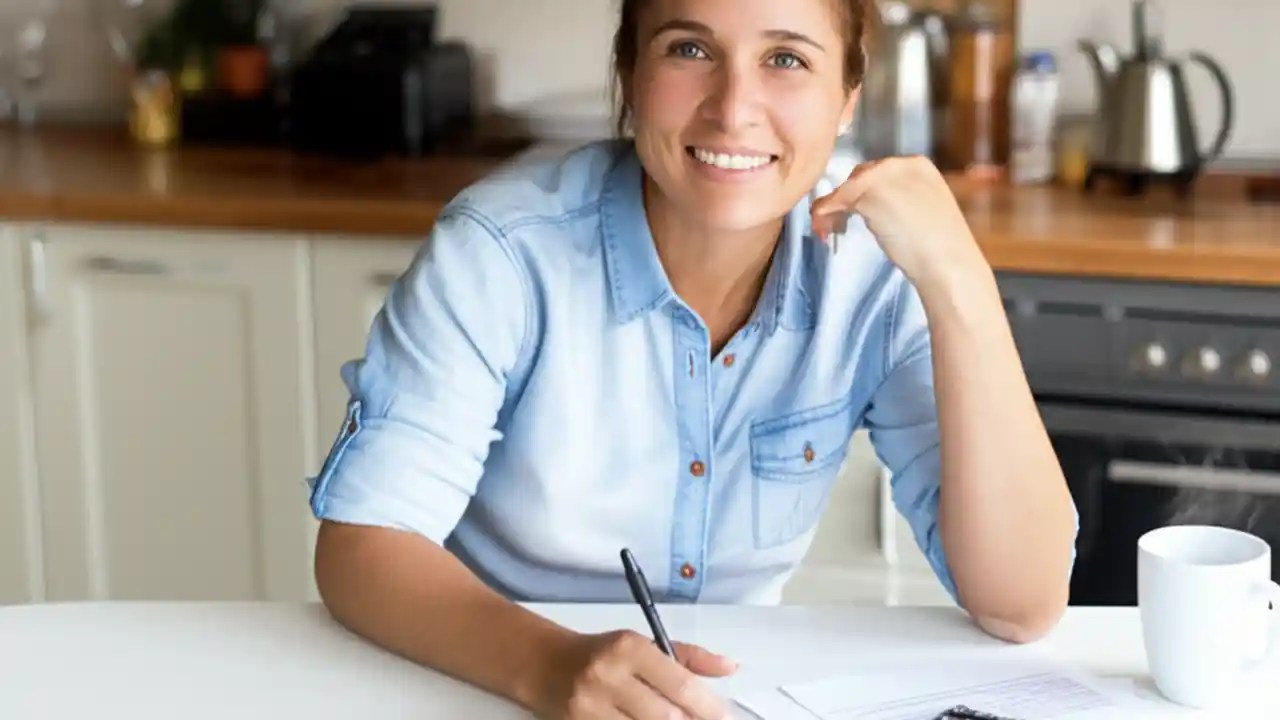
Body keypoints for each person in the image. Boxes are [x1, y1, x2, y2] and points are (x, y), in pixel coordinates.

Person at [306, 0, 1079, 718]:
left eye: (786, 60)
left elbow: (1021, 602)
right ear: (629, 76)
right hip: (483, 681)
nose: (733, 107)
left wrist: (962, 282)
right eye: (689, 49)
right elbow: (363, 548)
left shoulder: (877, 267)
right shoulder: (502, 252)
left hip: (724, 698)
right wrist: (547, 665)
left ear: (848, 98)